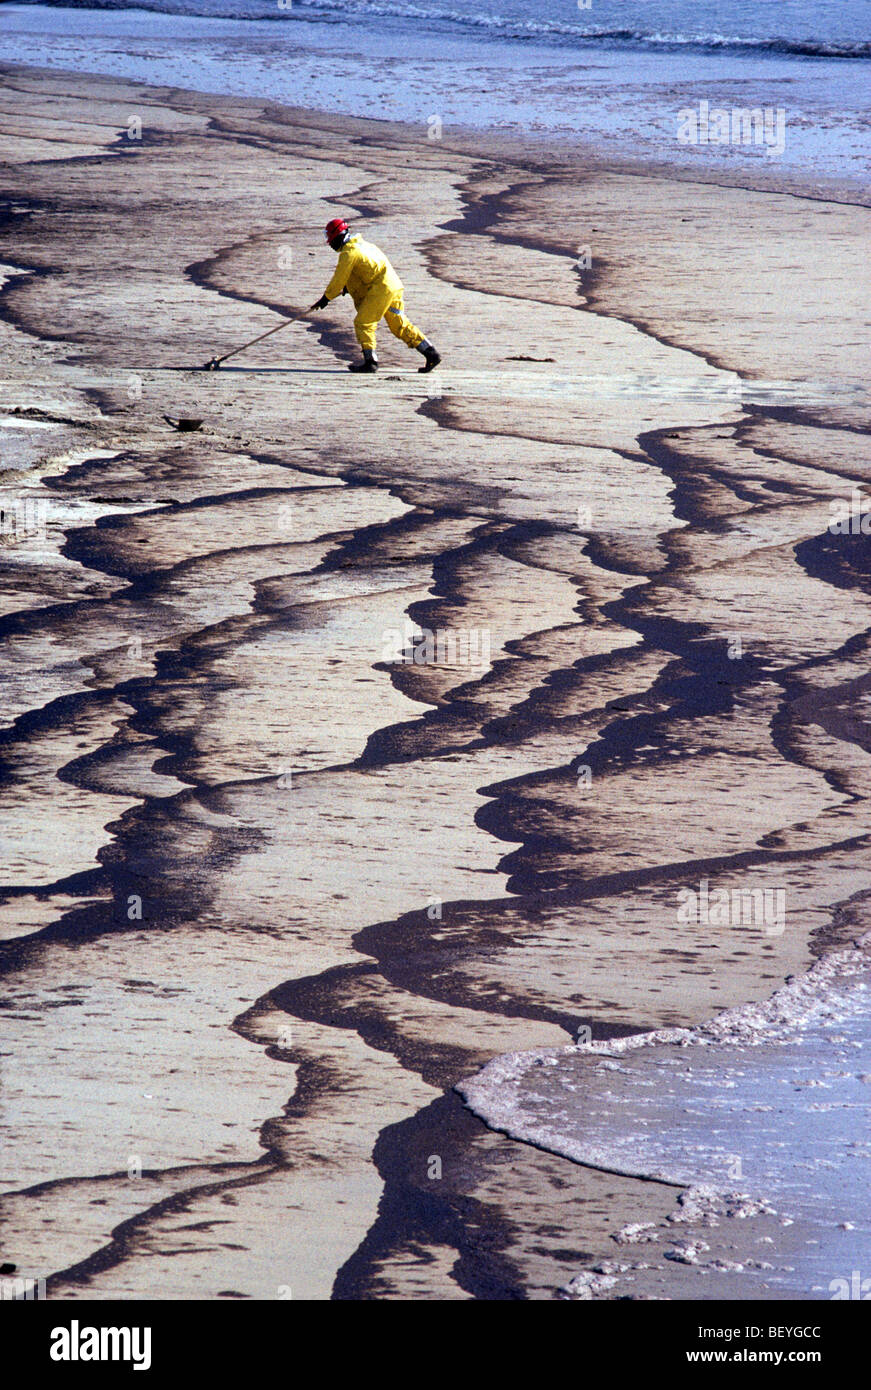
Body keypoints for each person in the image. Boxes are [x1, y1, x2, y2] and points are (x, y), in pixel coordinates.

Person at [308, 218, 441, 374]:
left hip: (382, 289)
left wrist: (326, 298)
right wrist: (347, 288)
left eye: (330, 239)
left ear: (338, 236)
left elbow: (339, 278)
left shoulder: (348, 253)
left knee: (363, 323)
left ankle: (370, 362)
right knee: (399, 324)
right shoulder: (365, 245)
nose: (330, 244)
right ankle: (431, 353)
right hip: (394, 286)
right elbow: (363, 272)